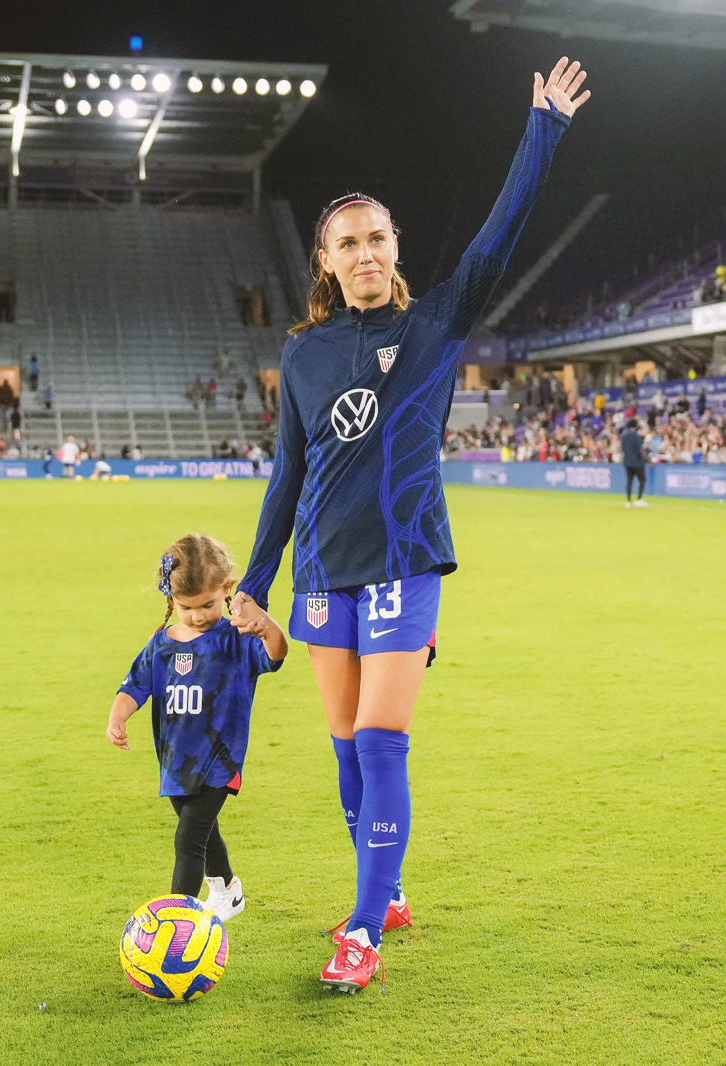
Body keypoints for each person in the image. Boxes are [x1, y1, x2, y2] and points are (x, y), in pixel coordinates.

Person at [230, 57, 590, 993]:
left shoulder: (435, 324)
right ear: (325, 260)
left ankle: (362, 930)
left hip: (403, 561)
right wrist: (256, 583)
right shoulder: (302, 355)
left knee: (382, 740)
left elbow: (497, 239)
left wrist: (543, 128)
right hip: (322, 570)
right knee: (346, 747)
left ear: (396, 248)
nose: (365, 254)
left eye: (378, 238)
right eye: (347, 242)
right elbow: (287, 476)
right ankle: (383, 892)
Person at [106, 534, 287, 919]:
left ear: (227, 589)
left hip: (220, 760)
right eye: (187, 608)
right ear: (171, 599)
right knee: (203, 830)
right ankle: (227, 889)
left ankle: (177, 922)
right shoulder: (162, 644)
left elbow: (275, 656)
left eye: (208, 604)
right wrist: (118, 716)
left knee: (188, 839)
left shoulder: (236, 639)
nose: (199, 616)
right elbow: (135, 685)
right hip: (175, 761)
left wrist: (267, 629)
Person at [621, 418, 649, 508]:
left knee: (629, 480)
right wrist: (648, 460)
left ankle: (628, 501)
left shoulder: (624, 436)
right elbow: (640, 450)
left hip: (627, 462)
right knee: (642, 480)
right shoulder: (636, 436)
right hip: (637, 462)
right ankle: (639, 499)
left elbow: (622, 449)